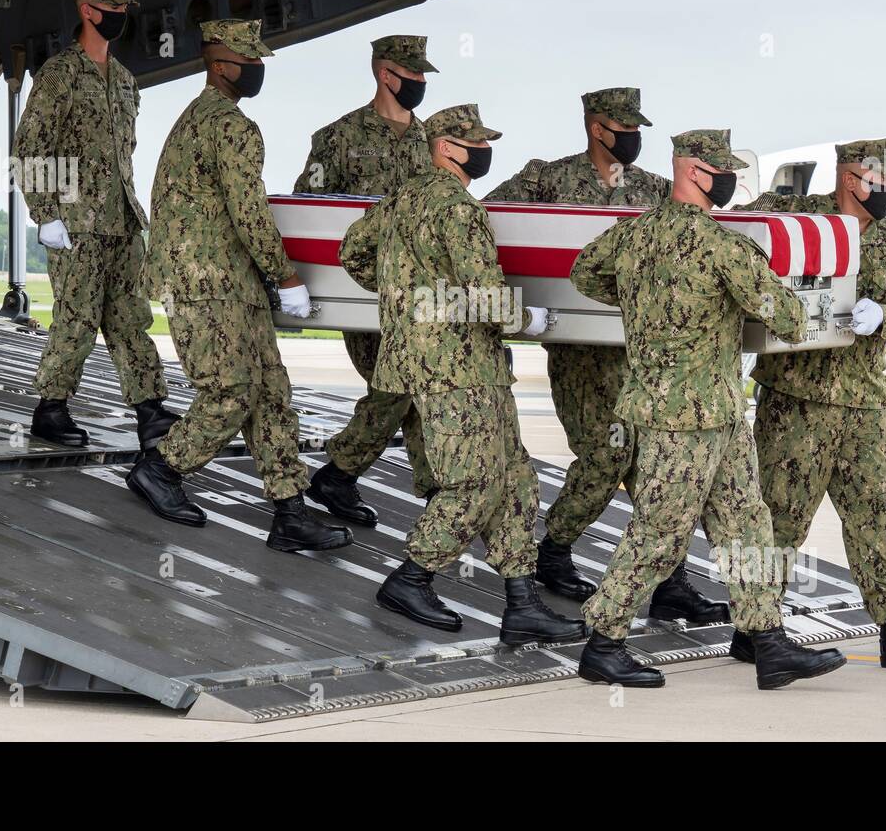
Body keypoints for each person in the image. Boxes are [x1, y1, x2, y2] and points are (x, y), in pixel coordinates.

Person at [572, 129, 847, 689]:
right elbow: (788, 320)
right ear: (695, 172)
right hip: (690, 421)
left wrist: (642, 301)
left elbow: (583, 273)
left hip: (693, 412)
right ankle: (603, 641)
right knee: (660, 532)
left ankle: (764, 639)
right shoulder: (723, 248)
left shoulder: (633, 236)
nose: (728, 182)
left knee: (747, 525)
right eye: (721, 172)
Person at [341, 103, 584, 645]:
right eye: (474, 142)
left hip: (440, 363)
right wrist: (529, 318)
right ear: (446, 147)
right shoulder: (458, 209)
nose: (484, 151)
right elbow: (486, 297)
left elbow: (353, 251)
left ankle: (522, 602)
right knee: (473, 481)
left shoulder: (401, 198)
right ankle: (411, 576)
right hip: (459, 369)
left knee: (516, 477)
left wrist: (404, 301)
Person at [484, 88, 727, 624]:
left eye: (639, 129)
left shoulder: (654, 190)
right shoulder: (548, 178)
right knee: (604, 457)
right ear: (597, 128)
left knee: (656, 471)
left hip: (638, 352)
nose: (634, 139)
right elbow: (487, 219)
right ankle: (555, 546)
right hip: (577, 350)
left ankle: (671, 581)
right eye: (625, 128)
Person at [739, 138, 886, 667]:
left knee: (876, 510)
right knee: (779, 519)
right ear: (849, 179)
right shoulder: (796, 220)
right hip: (796, 401)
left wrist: (885, 314)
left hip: (863, 403)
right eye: (877, 182)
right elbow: (741, 235)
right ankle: (756, 626)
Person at [128, 19, 351, 556]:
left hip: (228, 281)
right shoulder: (230, 126)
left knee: (271, 394)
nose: (256, 71)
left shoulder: (195, 120)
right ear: (219, 64)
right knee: (231, 391)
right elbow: (249, 212)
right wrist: (287, 274)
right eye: (248, 62)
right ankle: (162, 469)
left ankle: (290, 511)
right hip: (208, 282)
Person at [14, 0, 176, 450]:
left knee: (131, 317)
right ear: (87, 9)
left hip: (122, 219)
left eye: (124, 8)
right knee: (77, 318)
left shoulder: (124, 80)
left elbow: (123, 153)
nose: (119, 16)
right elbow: (30, 147)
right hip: (76, 223)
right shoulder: (60, 75)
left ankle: (150, 410)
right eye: (111, 8)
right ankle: (51, 408)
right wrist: (45, 213)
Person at [293, 36, 438, 526]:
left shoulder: (433, 143)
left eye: (423, 76)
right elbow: (307, 209)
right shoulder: (337, 138)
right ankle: (342, 472)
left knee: (415, 393)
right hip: (363, 297)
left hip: (420, 299)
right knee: (401, 388)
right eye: (411, 75)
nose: (419, 84)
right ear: (384, 74)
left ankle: (432, 493)